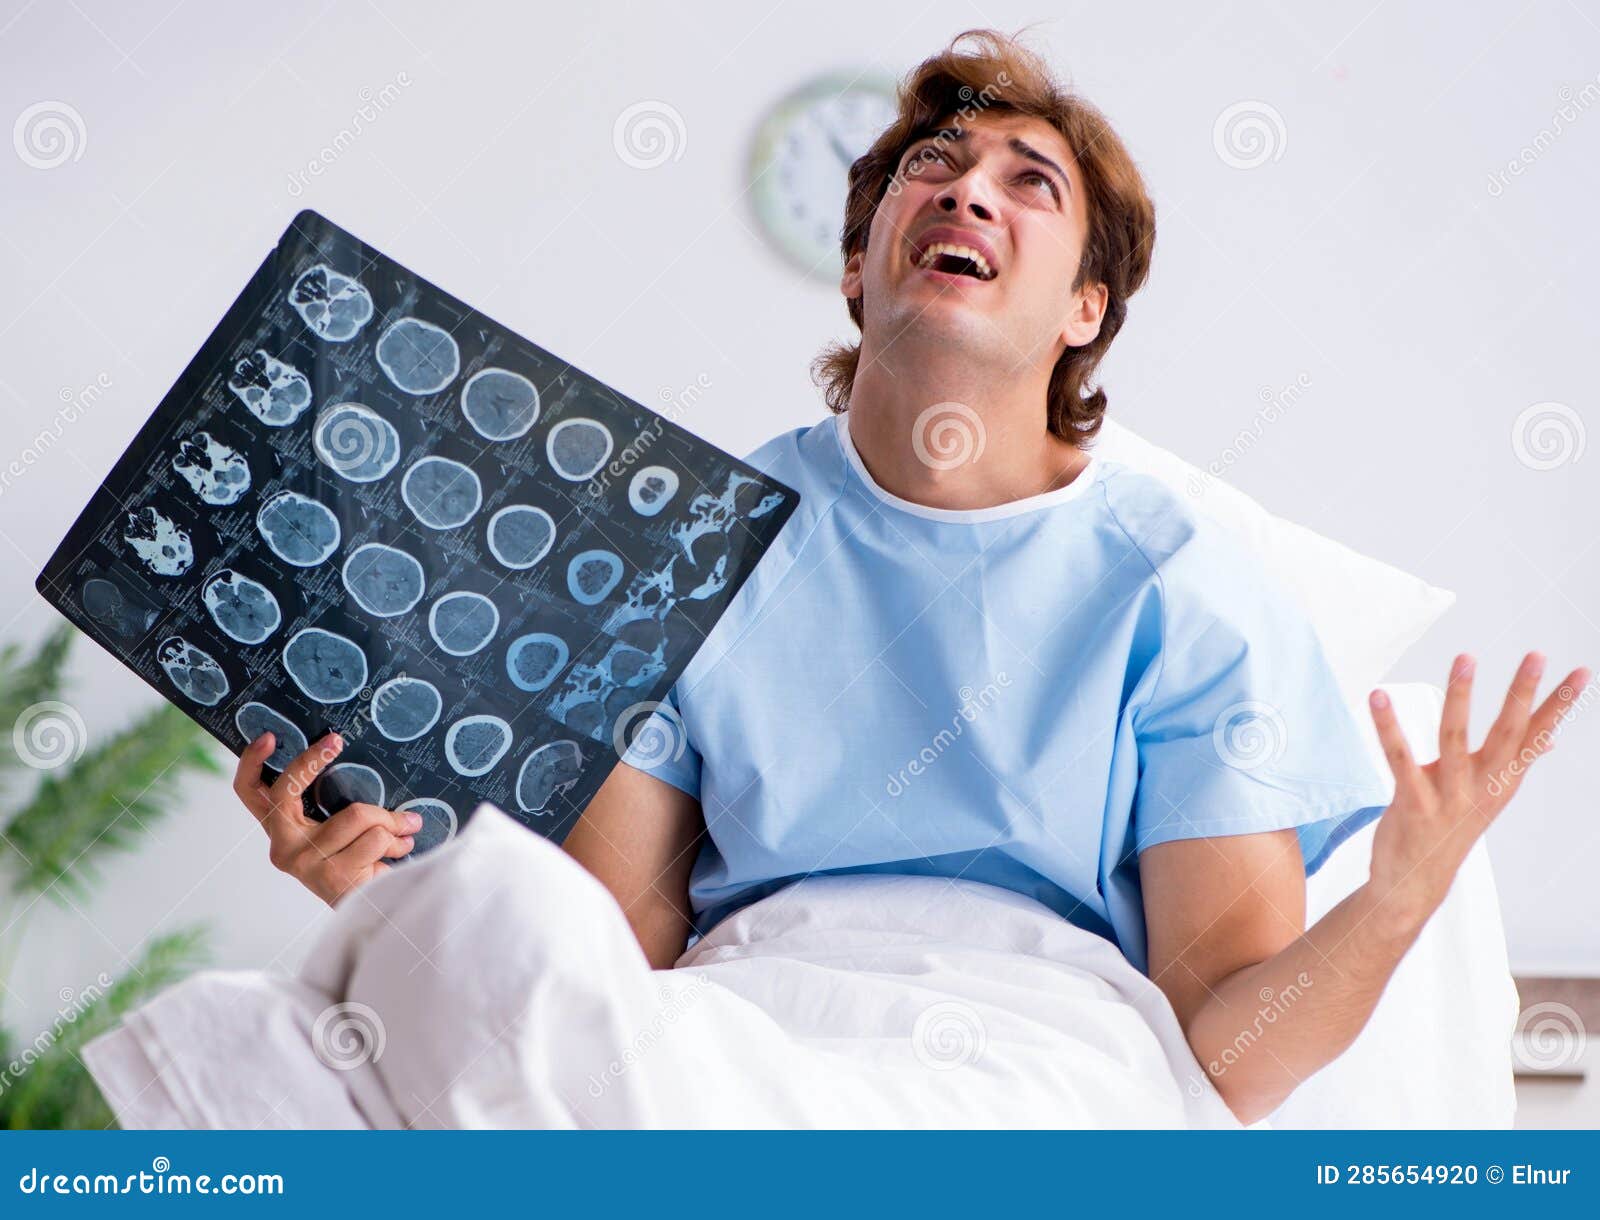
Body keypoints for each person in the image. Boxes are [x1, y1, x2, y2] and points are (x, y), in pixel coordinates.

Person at [231, 29, 1588, 1124]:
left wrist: (1400, 895)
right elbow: (611, 962)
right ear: (858, 267)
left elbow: (1230, 1055)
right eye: (931, 171)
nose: (967, 191)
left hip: (1036, 1055)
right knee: (248, 1044)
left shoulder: (1181, 583)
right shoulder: (696, 543)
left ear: (1084, 313)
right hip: (734, 1035)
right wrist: (392, 902)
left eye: (1027, 183)